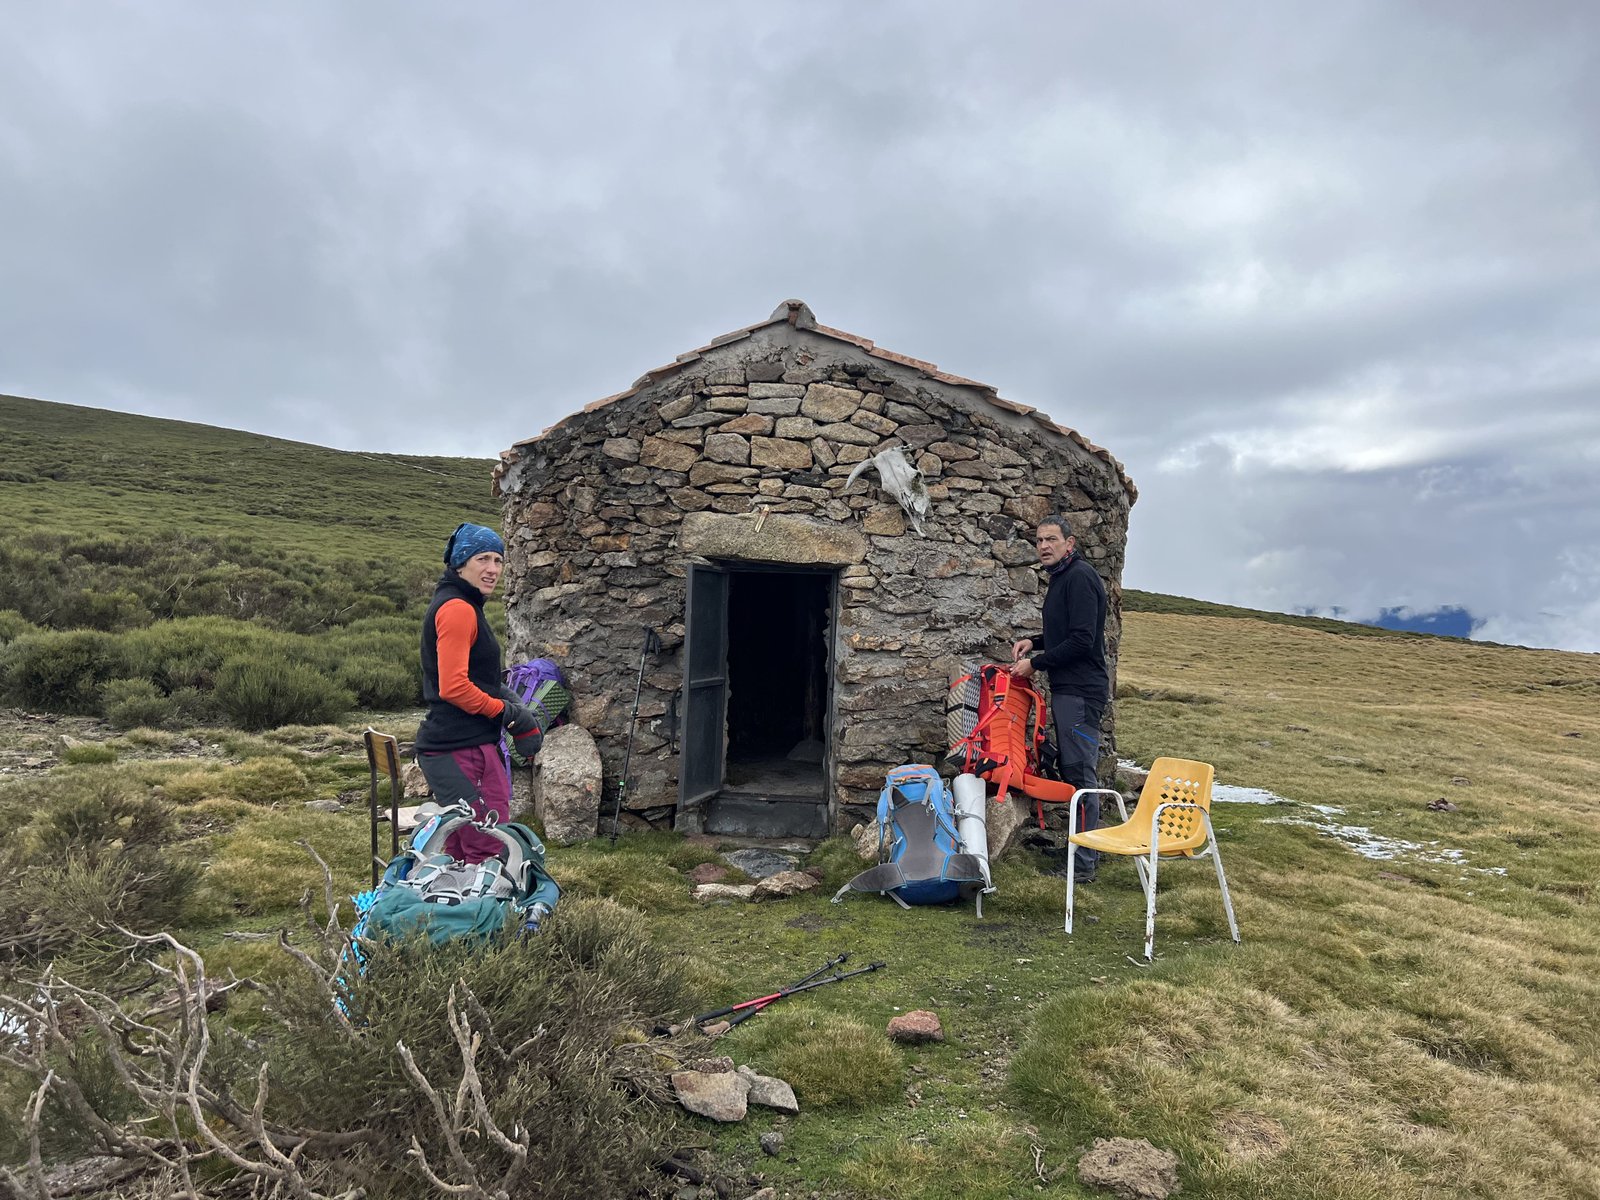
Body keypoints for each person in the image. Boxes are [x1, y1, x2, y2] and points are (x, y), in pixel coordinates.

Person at [415, 522, 544, 864]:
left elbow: (477, 677)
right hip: (461, 749)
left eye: (498, 560)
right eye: (482, 559)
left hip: (460, 745)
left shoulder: (462, 604)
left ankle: (453, 897)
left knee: (462, 848)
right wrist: (509, 714)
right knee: (488, 846)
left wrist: (511, 701)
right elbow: (454, 687)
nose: (492, 569)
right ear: (460, 564)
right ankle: (484, 899)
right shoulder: (458, 608)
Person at [1009, 516, 1110, 880]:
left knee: (1081, 773)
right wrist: (1034, 641)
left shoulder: (1079, 577)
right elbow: (1065, 633)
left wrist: (1035, 664)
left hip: (1081, 692)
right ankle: (1078, 850)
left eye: (1051, 539)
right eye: (1039, 540)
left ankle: (1083, 865)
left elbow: (1082, 640)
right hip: (1070, 691)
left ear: (1070, 543)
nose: (1044, 546)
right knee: (1071, 770)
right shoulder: (1062, 577)